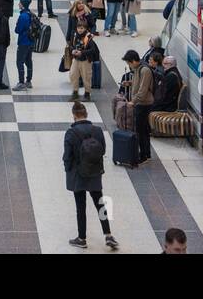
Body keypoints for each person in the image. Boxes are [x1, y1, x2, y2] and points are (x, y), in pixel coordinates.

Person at [63, 101, 118, 250]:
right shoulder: (97, 131)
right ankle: (108, 234)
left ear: (74, 115)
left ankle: (82, 238)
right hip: (94, 172)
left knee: (80, 207)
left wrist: (68, 169)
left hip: (77, 174)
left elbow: (67, 156)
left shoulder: (71, 133)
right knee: (100, 203)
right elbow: (103, 150)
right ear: (86, 114)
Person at [123, 49, 154, 164]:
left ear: (134, 61)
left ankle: (144, 155)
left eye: (129, 63)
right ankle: (146, 153)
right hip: (140, 103)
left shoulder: (145, 70)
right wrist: (129, 83)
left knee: (141, 130)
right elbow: (138, 83)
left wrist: (133, 101)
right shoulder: (137, 69)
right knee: (143, 130)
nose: (128, 65)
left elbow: (143, 90)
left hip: (144, 104)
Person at [67, 16, 99, 101]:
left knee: (86, 77)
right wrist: (73, 50)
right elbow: (70, 45)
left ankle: (87, 93)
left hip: (85, 60)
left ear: (85, 29)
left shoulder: (88, 37)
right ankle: (75, 92)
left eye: (82, 28)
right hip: (76, 59)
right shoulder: (74, 35)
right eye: (78, 28)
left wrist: (82, 52)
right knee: (73, 75)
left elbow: (93, 50)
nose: (80, 30)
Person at [13, 0, 36, 91]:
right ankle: (29, 81)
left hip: (23, 41)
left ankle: (21, 82)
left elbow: (18, 30)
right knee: (28, 60)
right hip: (31, 41)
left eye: (20, 3)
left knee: (19, 62)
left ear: (23, 4)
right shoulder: (31, 14)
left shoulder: (23, 16)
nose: (18, 4)